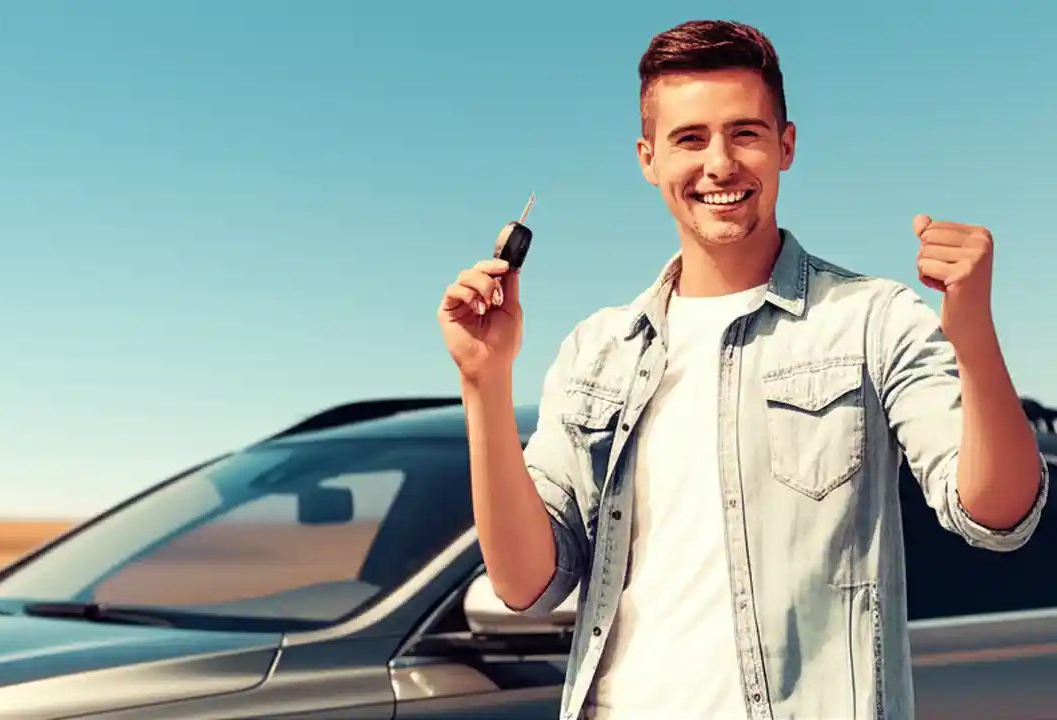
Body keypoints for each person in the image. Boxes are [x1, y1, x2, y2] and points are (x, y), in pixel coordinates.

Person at [436, 18, 1049, 720]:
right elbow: (524, 584)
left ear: (786, 145)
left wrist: (973, 336)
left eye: (745, 133)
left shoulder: (872, 320)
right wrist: (484, 384)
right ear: (648, 158)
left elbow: (998, 515)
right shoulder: (597, 350)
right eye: (690, 139)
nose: (720, 163)